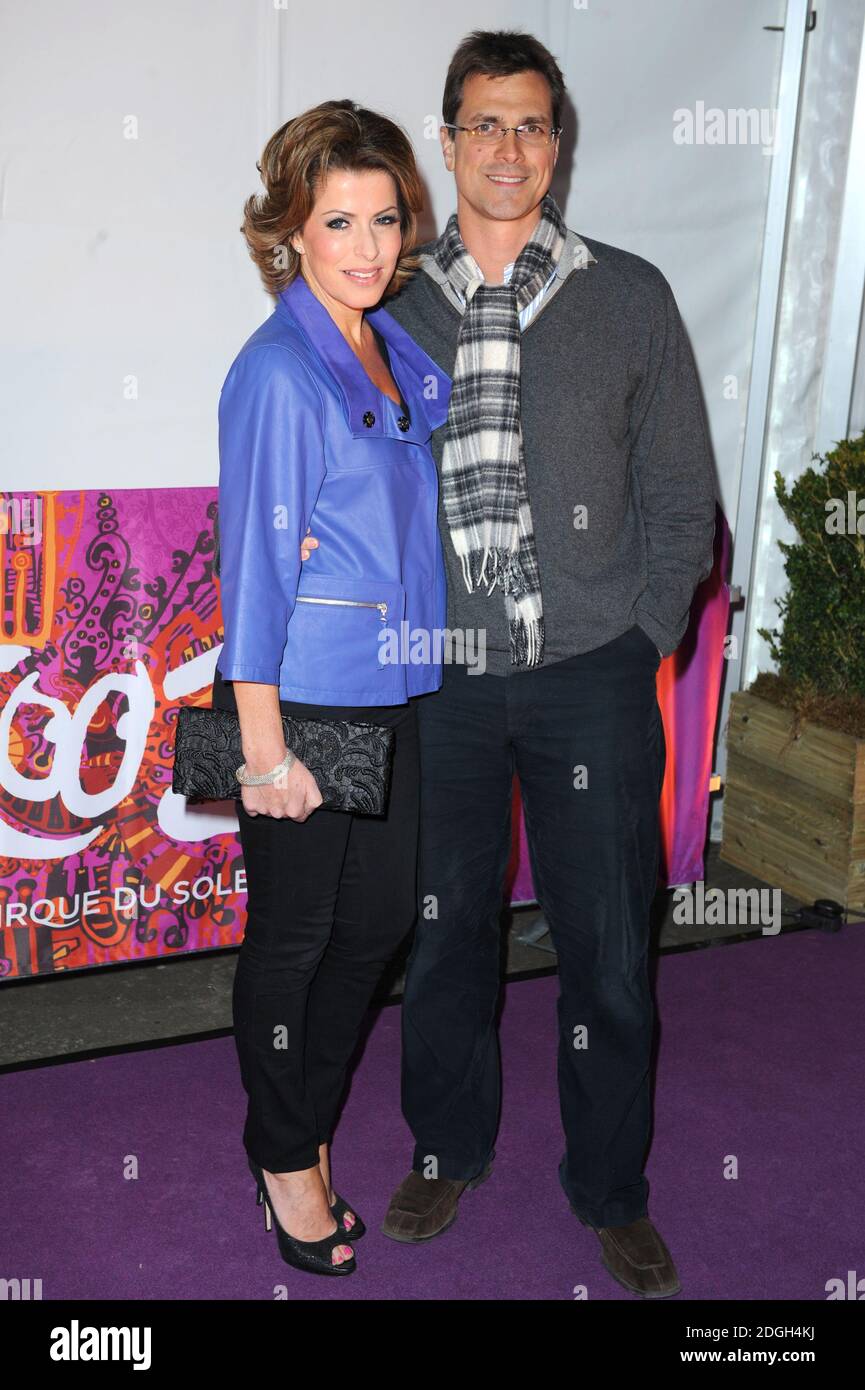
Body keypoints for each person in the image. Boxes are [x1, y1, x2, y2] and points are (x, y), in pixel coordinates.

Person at [307, 30, 717, 1298]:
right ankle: (447, 1144)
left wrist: (640, 636)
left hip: (591, 671)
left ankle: (609, 1185)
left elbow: (681, 497)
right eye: (482, 123)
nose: (506, 147)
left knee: (605, 941)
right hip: (441, 679)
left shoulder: (629, 295)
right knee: (443, 933)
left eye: (530, 125)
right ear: (445, 139)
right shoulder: (389, 298)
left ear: (558, 144)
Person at [211, 99, 451, 1277]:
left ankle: (291, 1121)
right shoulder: (277, 370)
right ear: (290, 232)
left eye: (386, 218)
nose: (367, 245)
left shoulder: (391, 343)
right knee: (297, 936)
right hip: (304, 700)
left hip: (395, 691)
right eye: (338, 220)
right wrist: (263, 749)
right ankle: (284, 1151)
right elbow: (255, 570)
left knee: (378, 924)